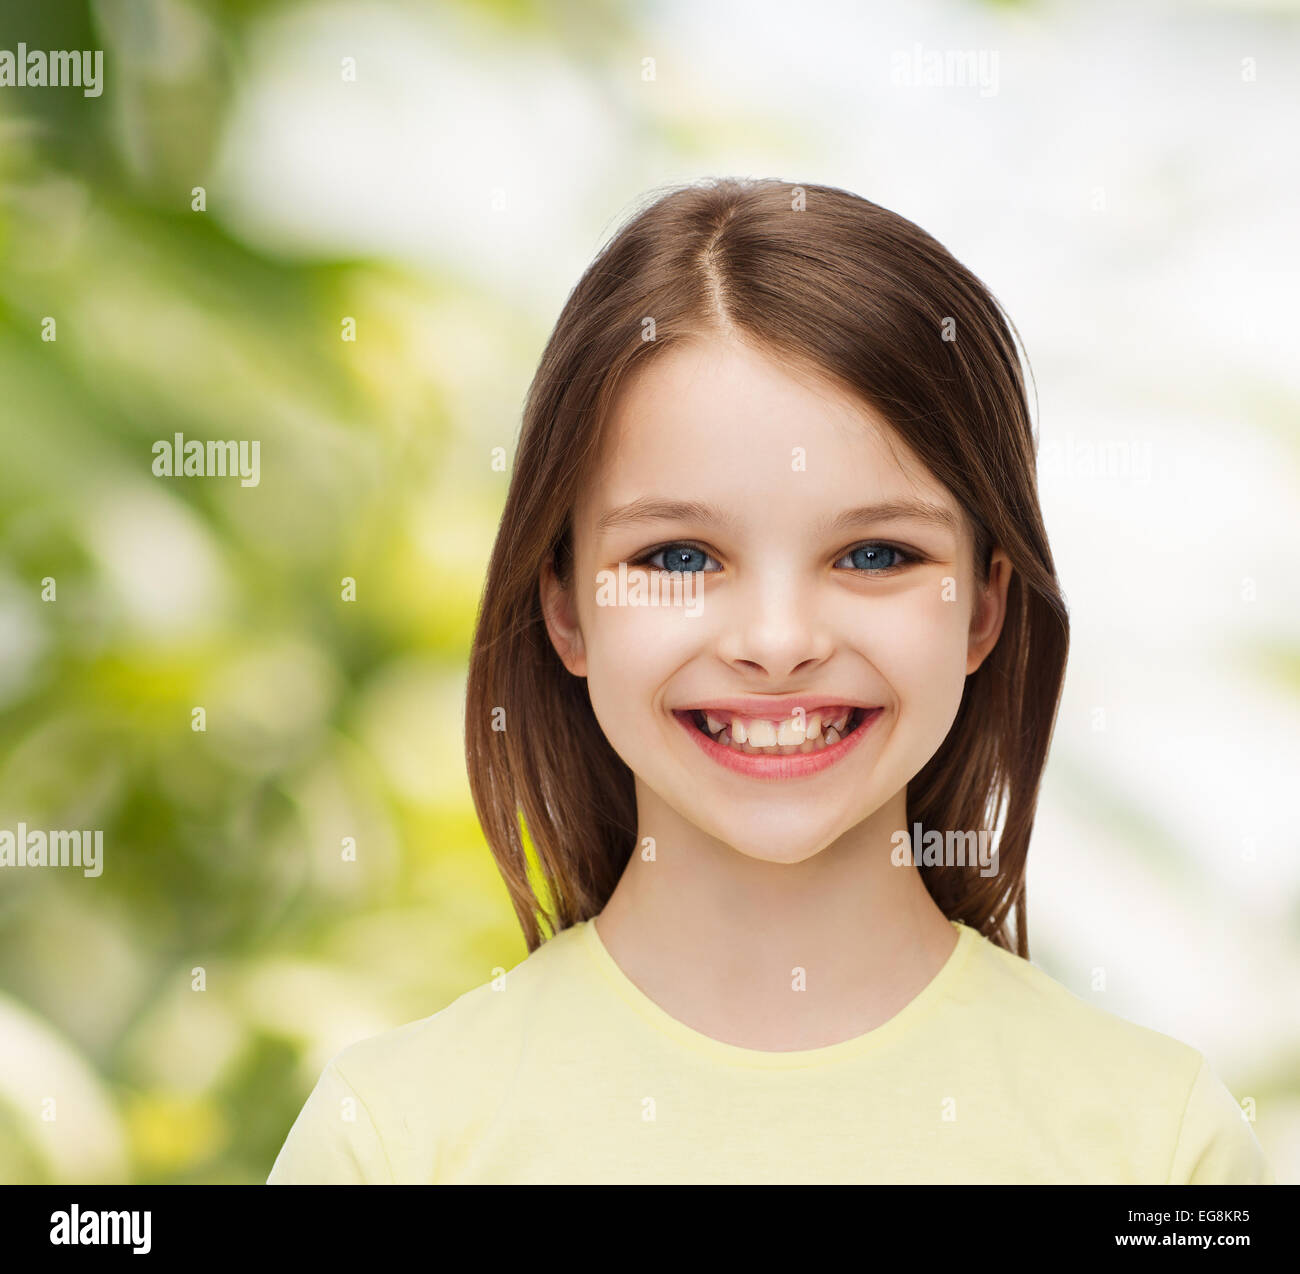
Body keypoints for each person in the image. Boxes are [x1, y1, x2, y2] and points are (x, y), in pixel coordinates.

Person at [268, 178, 1273, 1184]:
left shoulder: (1160, 1147)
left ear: (982, 606)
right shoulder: (389, 1142)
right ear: (566, 606)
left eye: (875, 554)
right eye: (677, 556)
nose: (777, 641)